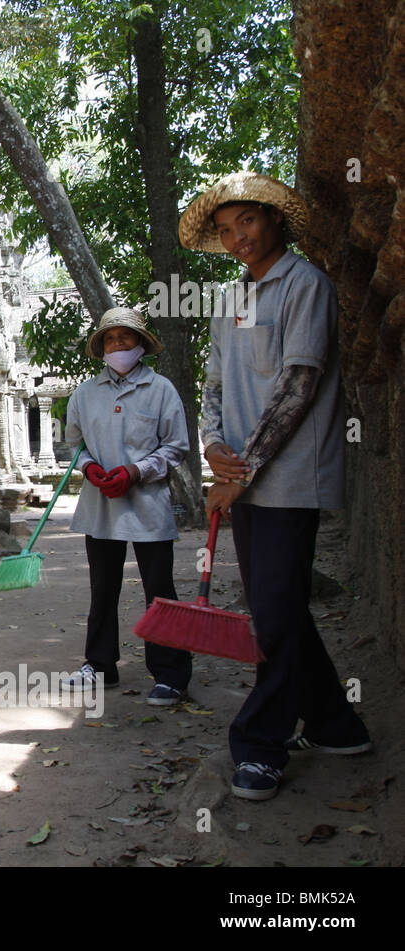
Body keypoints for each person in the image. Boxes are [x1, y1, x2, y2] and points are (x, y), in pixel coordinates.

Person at [179, 171, 371, 801]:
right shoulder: (230, 299)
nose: (239, 238)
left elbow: (298, 386)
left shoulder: (305, 285)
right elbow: (211, 386)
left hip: (290, 479)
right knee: (275, 610)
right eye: (227, 230)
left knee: (276, 616)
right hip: (241, 478)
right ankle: (336, 726)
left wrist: (246, 471)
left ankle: (260, 745)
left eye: (249, 222)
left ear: (274, 220)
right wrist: (212, 448)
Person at [64, 307, 192, 705]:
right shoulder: (84, 394)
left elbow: (176, 446)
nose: (118, 345)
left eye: (126, 338)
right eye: (111, 339)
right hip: (100, 505)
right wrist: (89, 469)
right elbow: (73, 444)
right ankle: (100, 666)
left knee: (159, 590)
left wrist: (136, 471)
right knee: (102, 589)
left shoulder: (162, 390)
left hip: (148, 503)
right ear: (101, 346)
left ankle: (170, 673)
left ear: (141, 344)